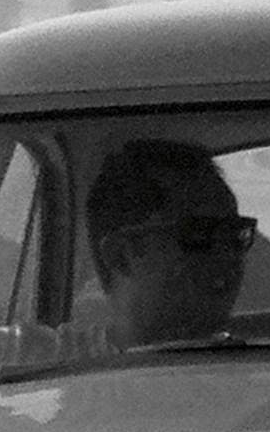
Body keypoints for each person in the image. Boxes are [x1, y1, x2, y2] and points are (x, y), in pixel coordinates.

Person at [86, 139, 258, 344]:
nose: (227, 254)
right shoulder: (58, 360)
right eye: (199, 233)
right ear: (120, 255)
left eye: (236, 234)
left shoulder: (263, 363)